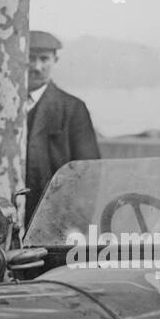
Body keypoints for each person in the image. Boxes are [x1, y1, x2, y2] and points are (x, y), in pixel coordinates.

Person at [22, 30, 100, 222]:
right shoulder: (5, 107)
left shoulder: (73, 109)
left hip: (53, 219)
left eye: (44, 59)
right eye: (30, 58)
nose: (37, 67)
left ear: (55, 60)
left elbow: (87, 173)